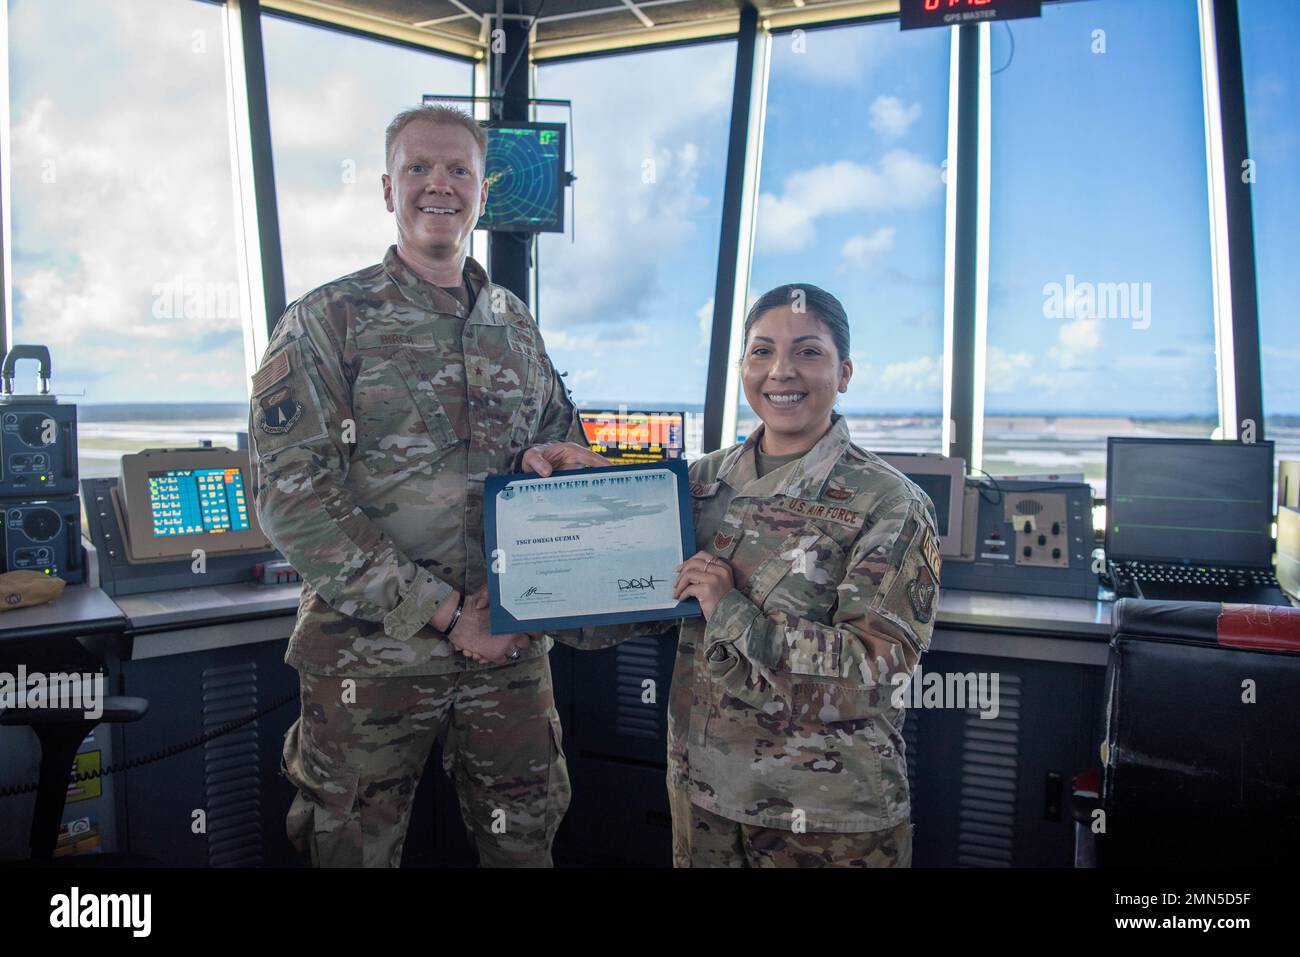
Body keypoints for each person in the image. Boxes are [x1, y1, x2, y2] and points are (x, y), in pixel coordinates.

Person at [248, 105, 603, 868]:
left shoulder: (514, 322)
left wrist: (561, 459)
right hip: (370, 659)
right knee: (353, 849)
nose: (438, 185)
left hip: (508, 649)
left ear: (482, 190)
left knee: (524, 843)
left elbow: (566, 443)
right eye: (418, 168)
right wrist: (445, 614)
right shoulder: (326, 320)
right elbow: (292, 497)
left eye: (458, 171)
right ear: (387, 189)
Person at [667, 283, 942, 867]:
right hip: (705, 796)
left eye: (808, 352)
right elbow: (640, 603)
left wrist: (732, 612)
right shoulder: (697, 483)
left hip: (827, 815)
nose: (780, 371)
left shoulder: (890, 503)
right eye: (761, 351)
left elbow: (876, 671)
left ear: (843, 373)